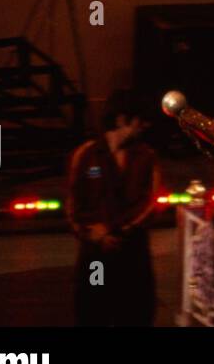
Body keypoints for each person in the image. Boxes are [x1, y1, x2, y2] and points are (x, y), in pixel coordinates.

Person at [65, 87, 160, 326]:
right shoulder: (85, 155)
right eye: (139, 121)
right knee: (93, 311)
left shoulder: (147, 157)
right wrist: (93, 234)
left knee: (135, 315)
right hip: (95, 255)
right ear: (121, 120)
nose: (145, 126)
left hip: (132, 254)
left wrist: (115, 232)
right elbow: (74, 203)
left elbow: (150, 203)